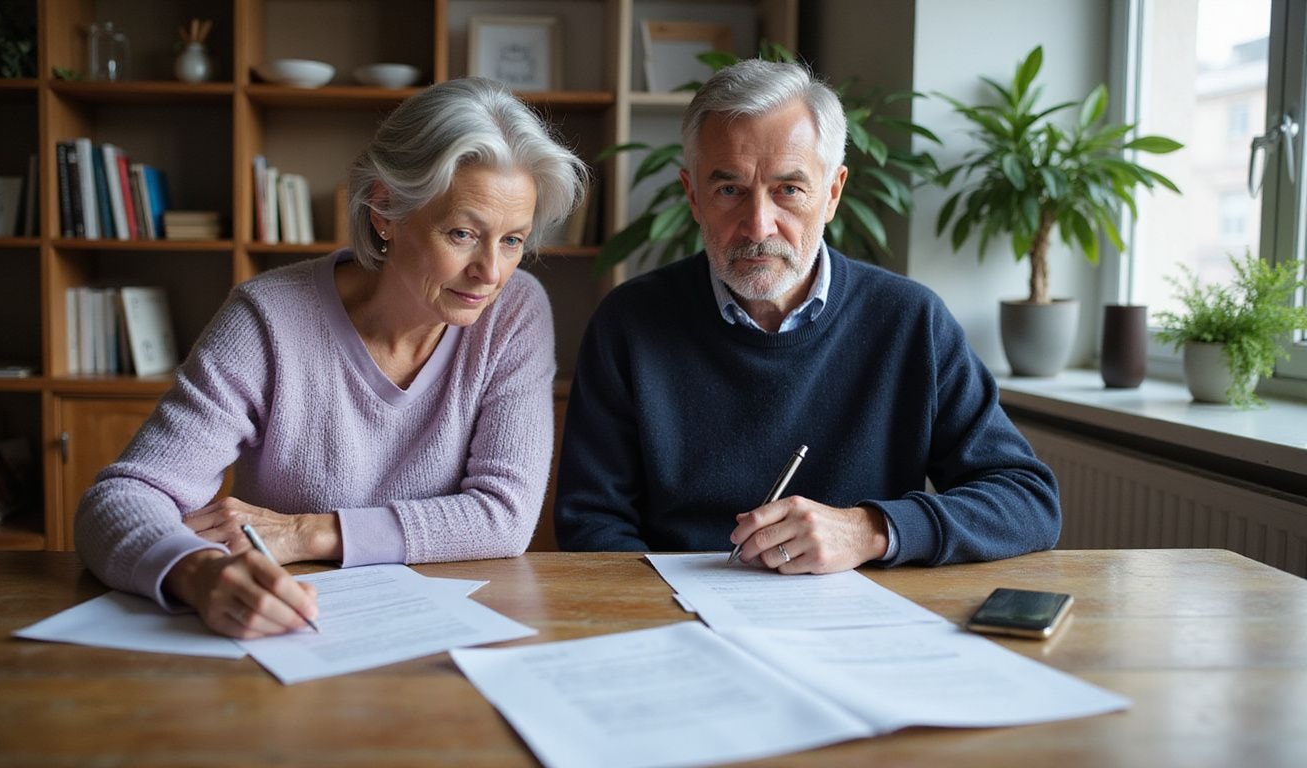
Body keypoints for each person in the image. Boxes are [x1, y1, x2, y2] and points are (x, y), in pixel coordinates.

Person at [76, 77, 588, 638]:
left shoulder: (515, 313)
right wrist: (198, 574)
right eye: (463, 233)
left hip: (445, 635)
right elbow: (123, 497)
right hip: (291, 629)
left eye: (513, 240)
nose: (490, 273)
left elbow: (504, 518)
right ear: (385, 209)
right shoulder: (268, 317)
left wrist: (306, 532)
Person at [553, 59, 1060, 572]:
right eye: (728, 190)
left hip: (854, 629)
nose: (758, 225)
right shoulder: (628, 324)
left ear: (832, 193)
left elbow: (1027, 501)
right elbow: (590, 526)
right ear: (693, 197)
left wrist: (872, 530)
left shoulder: (910, 321)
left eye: (788, 190)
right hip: (677, 621)